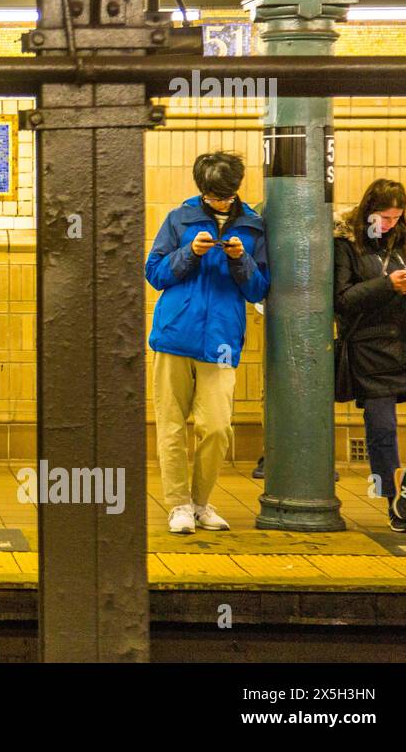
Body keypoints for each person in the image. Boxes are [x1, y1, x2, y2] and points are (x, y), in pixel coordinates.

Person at [146, 151, 270, 534]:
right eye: (215, 195)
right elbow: (154, 273)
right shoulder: (179, 219)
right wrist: (190, 253)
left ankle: (200, 503)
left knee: (217, 428)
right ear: (202, 189)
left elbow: (259, 289)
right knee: (171, 427)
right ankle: (179, 505)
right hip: (174, 336)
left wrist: (240, 259)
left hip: (221, 340)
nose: (221, 201)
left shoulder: (253, 227)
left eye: (227, 194)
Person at [333, 178, 406, 533]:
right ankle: (394, 503)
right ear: (368, 211)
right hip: (371, 350)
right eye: (383, 217)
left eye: (396, 217)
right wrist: (389, 285)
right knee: (381, 430)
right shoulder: (347, 244)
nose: (389, 225)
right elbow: (341, 300)